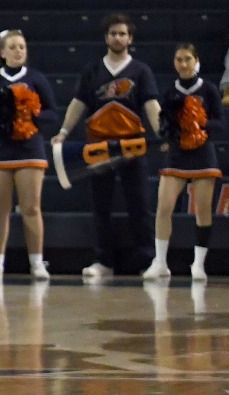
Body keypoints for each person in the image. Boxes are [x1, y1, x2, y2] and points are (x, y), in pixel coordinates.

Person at [51, 14, 162, 281]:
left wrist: (164, 134)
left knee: (139, 205)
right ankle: (103, 261)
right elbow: (79, 103)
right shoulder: (92, 70)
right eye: (113, 33)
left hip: (131, 146)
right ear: (106, 38)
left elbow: (151, 106)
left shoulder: (141, 71)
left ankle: (148, 261)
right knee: (101, 207)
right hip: (98, 146)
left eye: (123, 33)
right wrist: (64, 131)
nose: (118, 38)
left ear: (130, 38)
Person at [0, 29, 56, 282]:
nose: (19, 51)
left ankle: (37, 263)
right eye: (13, 47)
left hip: (29, 149)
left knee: (31, 208)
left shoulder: (36, 79)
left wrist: (29, 115)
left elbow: (53, 113)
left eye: (22, 47)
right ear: (2, 52)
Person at [148, 42, 221, 280]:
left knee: (202, 210)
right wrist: (170, 132)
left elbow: (222, 123)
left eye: (187, 59)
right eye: (179, 59)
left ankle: (198, 264)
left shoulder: (208, 89)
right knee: (164, 207)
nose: (183, 64)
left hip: (202, 153)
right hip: (177, 154)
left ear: (196, 61)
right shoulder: (170, 91)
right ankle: (160, 262)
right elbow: (163, 124)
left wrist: (200, 124)